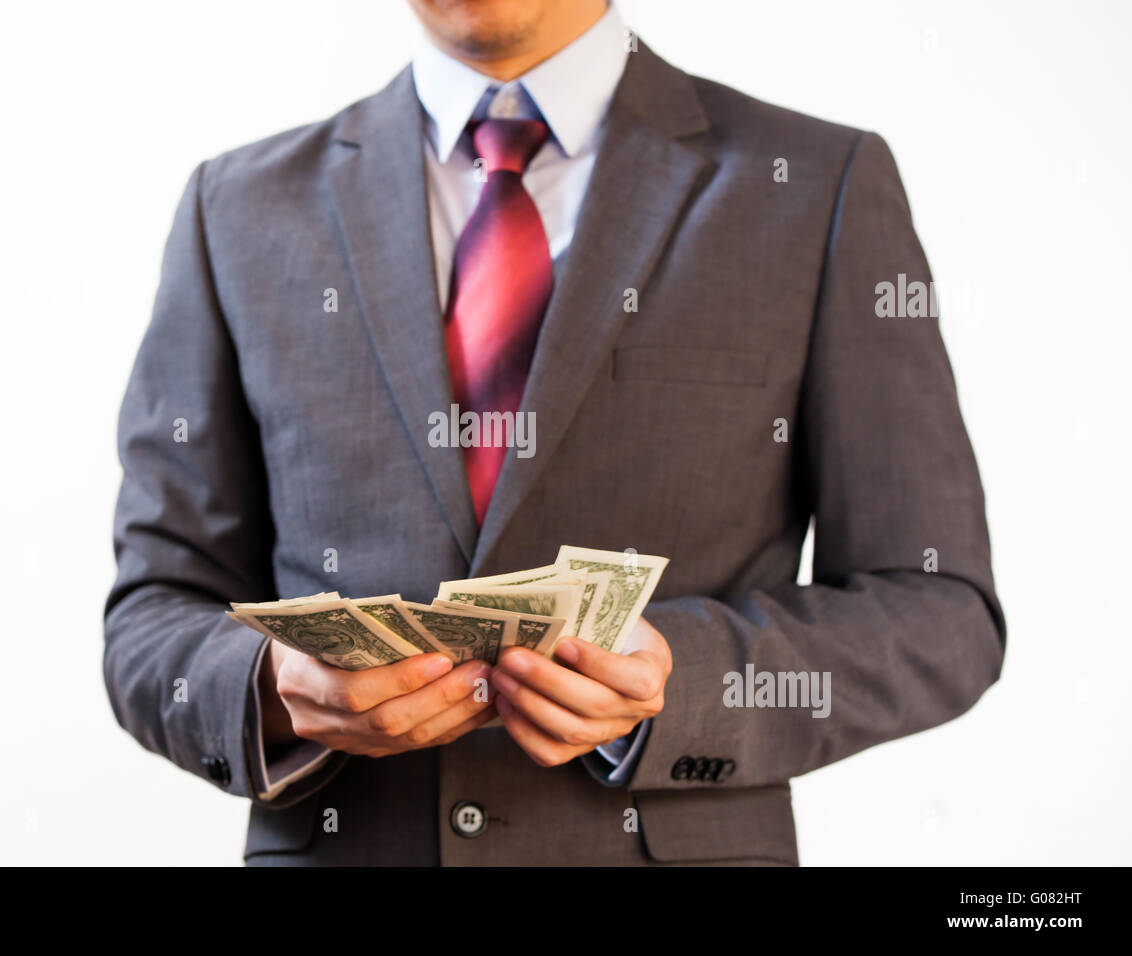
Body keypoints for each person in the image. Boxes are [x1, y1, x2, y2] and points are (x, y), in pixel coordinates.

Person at [104, 0, 1004, 865]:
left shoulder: (814, 186)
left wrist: (679, 680)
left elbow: (940, 611)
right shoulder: (238, 208)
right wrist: (269, 687)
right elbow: (152, 617)